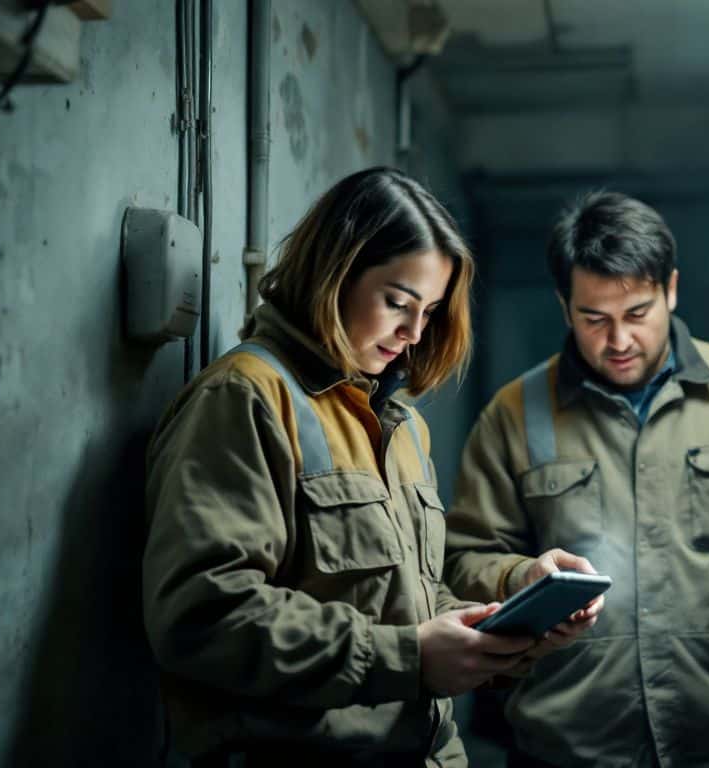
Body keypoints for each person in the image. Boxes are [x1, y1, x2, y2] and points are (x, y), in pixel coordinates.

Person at [142, 167, 547, 767]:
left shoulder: (403, 427)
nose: (414, 333)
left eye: (431, 311)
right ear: (334, 274)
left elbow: (405, 598)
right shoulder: (244, 398)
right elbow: (203, 614)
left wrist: (487, 626)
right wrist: (409, 657)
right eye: (397, 303)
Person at [443, 191, 709, 767]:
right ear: (565, 307)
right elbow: (463, 560)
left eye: (637, 314)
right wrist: (522, 576)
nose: (618, 341)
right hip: (566, 748)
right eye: (594, 319)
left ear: (671, 290)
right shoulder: (513, 415)